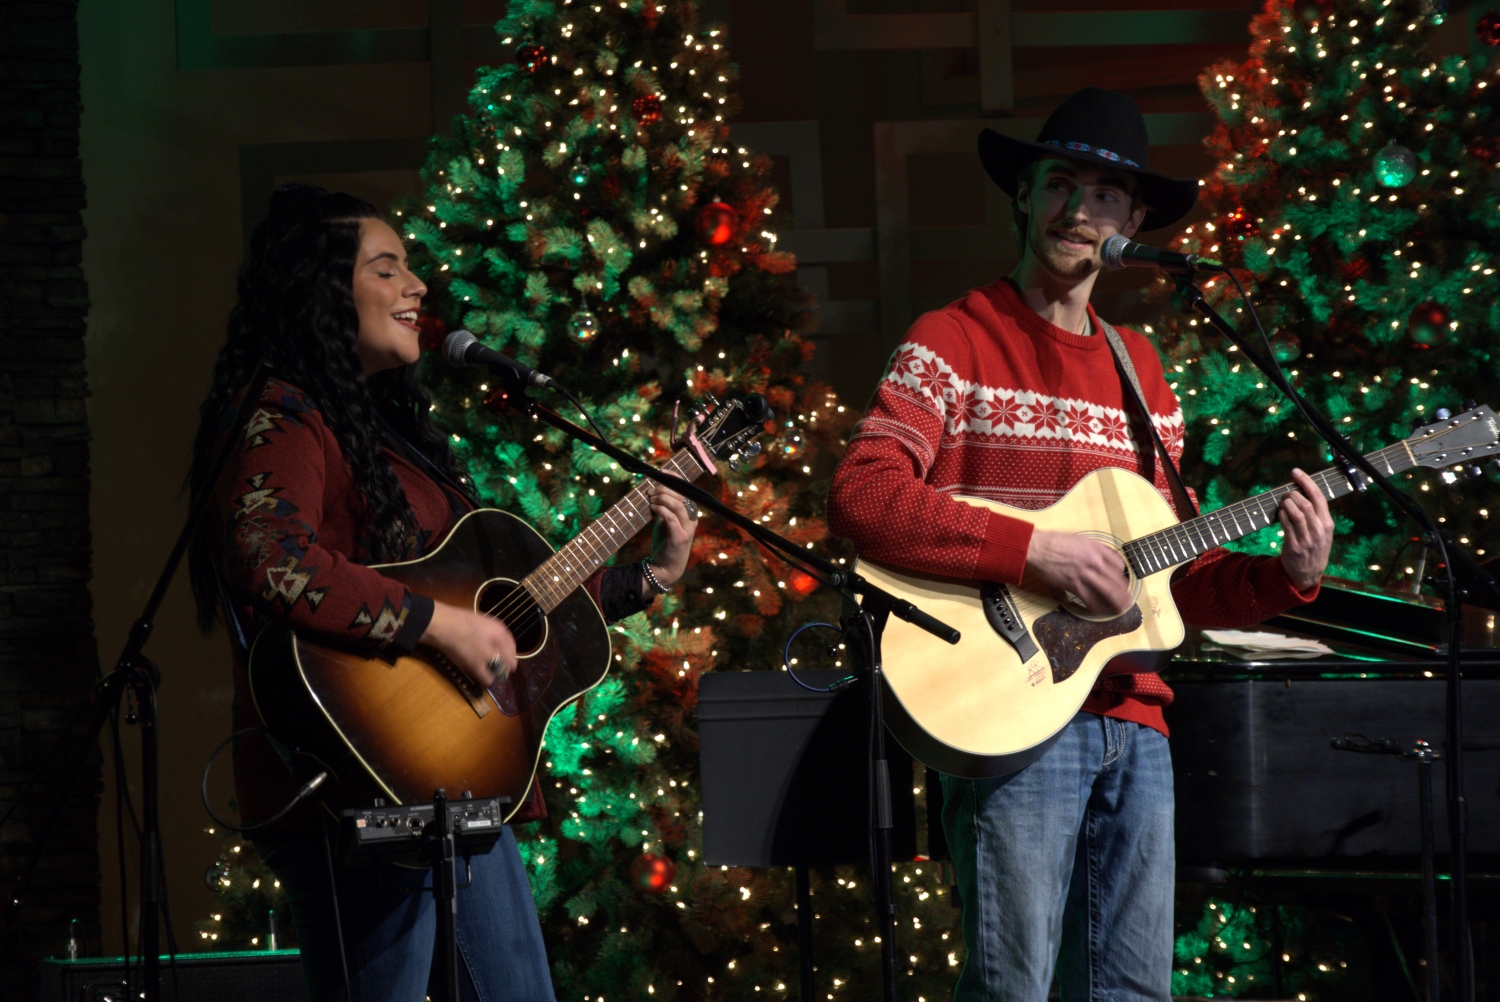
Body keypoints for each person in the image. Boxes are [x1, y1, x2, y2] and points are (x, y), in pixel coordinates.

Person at [826, 88, 1335, 1001]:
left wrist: (1289, 578)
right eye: (1059, 184)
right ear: (1025, 196)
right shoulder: (953, 339)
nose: (1077, 211)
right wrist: (1033, 553)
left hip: (1136, 721)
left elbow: (1178, 578)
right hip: (1008, 710)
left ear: (1132, 223)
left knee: (1135, 993)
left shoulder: (1144, 371)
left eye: (1104, 196)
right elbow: (864, 494)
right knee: (1012, 989)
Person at [187, 184, 699, 1002]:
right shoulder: (284, 414)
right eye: (386, 268)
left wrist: (651, 577)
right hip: (352, 788)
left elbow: (509, 613)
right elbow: (268, 556)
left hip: (451, 788)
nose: (417, 286)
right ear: (321, 291)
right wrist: (434, 625)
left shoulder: (393, 439)